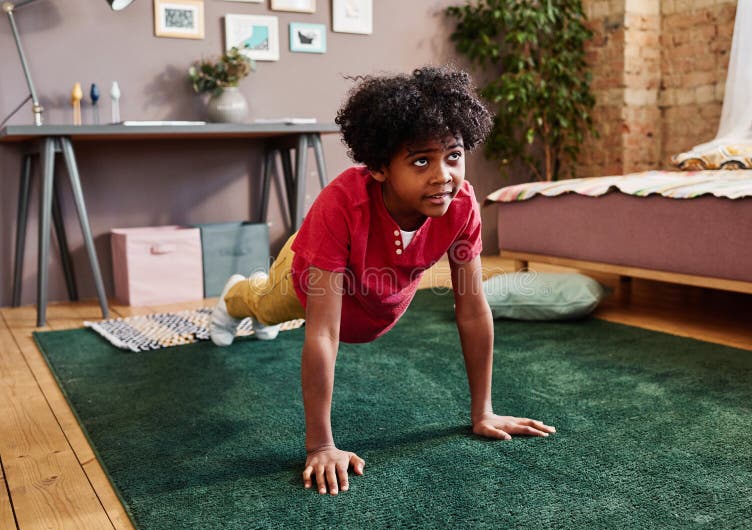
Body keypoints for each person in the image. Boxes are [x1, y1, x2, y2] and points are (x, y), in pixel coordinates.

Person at [209, 66, 556, 496]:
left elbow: (472, 308)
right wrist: (321, 445)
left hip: (375, 301)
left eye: (453, 155)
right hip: (308, 273)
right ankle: (234, 296)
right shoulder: (340, 206)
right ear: (379, 168)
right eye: (421, 161)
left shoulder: (461, 206)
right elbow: (323, 332)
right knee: (266, 305)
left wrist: (483, 410)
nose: (443, 175)